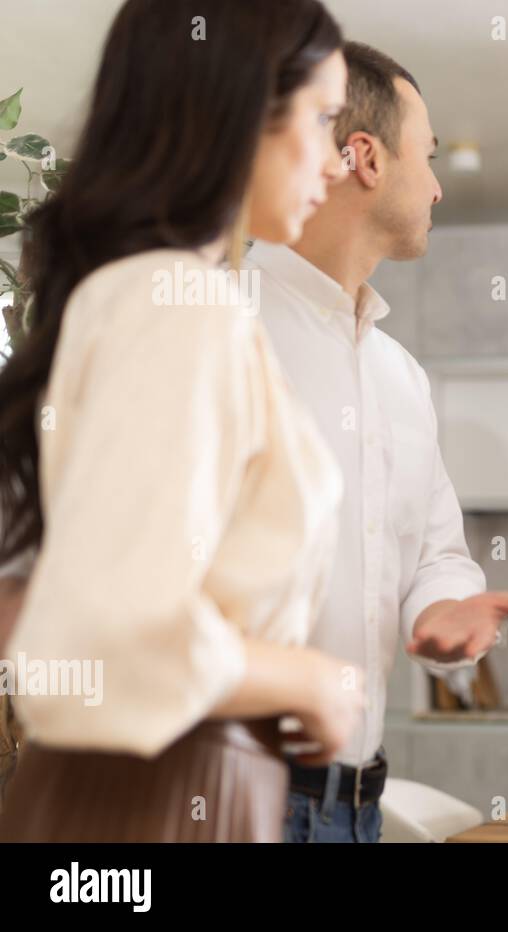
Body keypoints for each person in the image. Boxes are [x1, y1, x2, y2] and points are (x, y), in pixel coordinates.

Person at [0, 0, 362, 842]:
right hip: (158, 793)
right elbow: (110, 638)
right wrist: (306, 680)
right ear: (240, 111)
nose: (338, 162)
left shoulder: (136, 296)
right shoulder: (180, 305)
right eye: (323, 117)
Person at [246, 41, 508, 843]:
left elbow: (434, 554)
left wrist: (443, 609)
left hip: (355, 805)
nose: (440, 184)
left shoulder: (401, 376)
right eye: (430, 154)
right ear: (367, 158)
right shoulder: (214, 327)